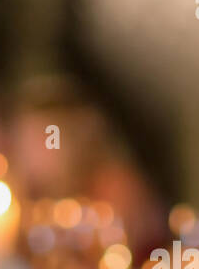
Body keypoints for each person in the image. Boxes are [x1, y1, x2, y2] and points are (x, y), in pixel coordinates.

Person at [11, 76, 167, 259]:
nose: (28, 154)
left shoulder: (115, 185)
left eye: (41, 140)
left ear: (73, 137)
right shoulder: (31, 196)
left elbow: (114, 253)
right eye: (23, 140)